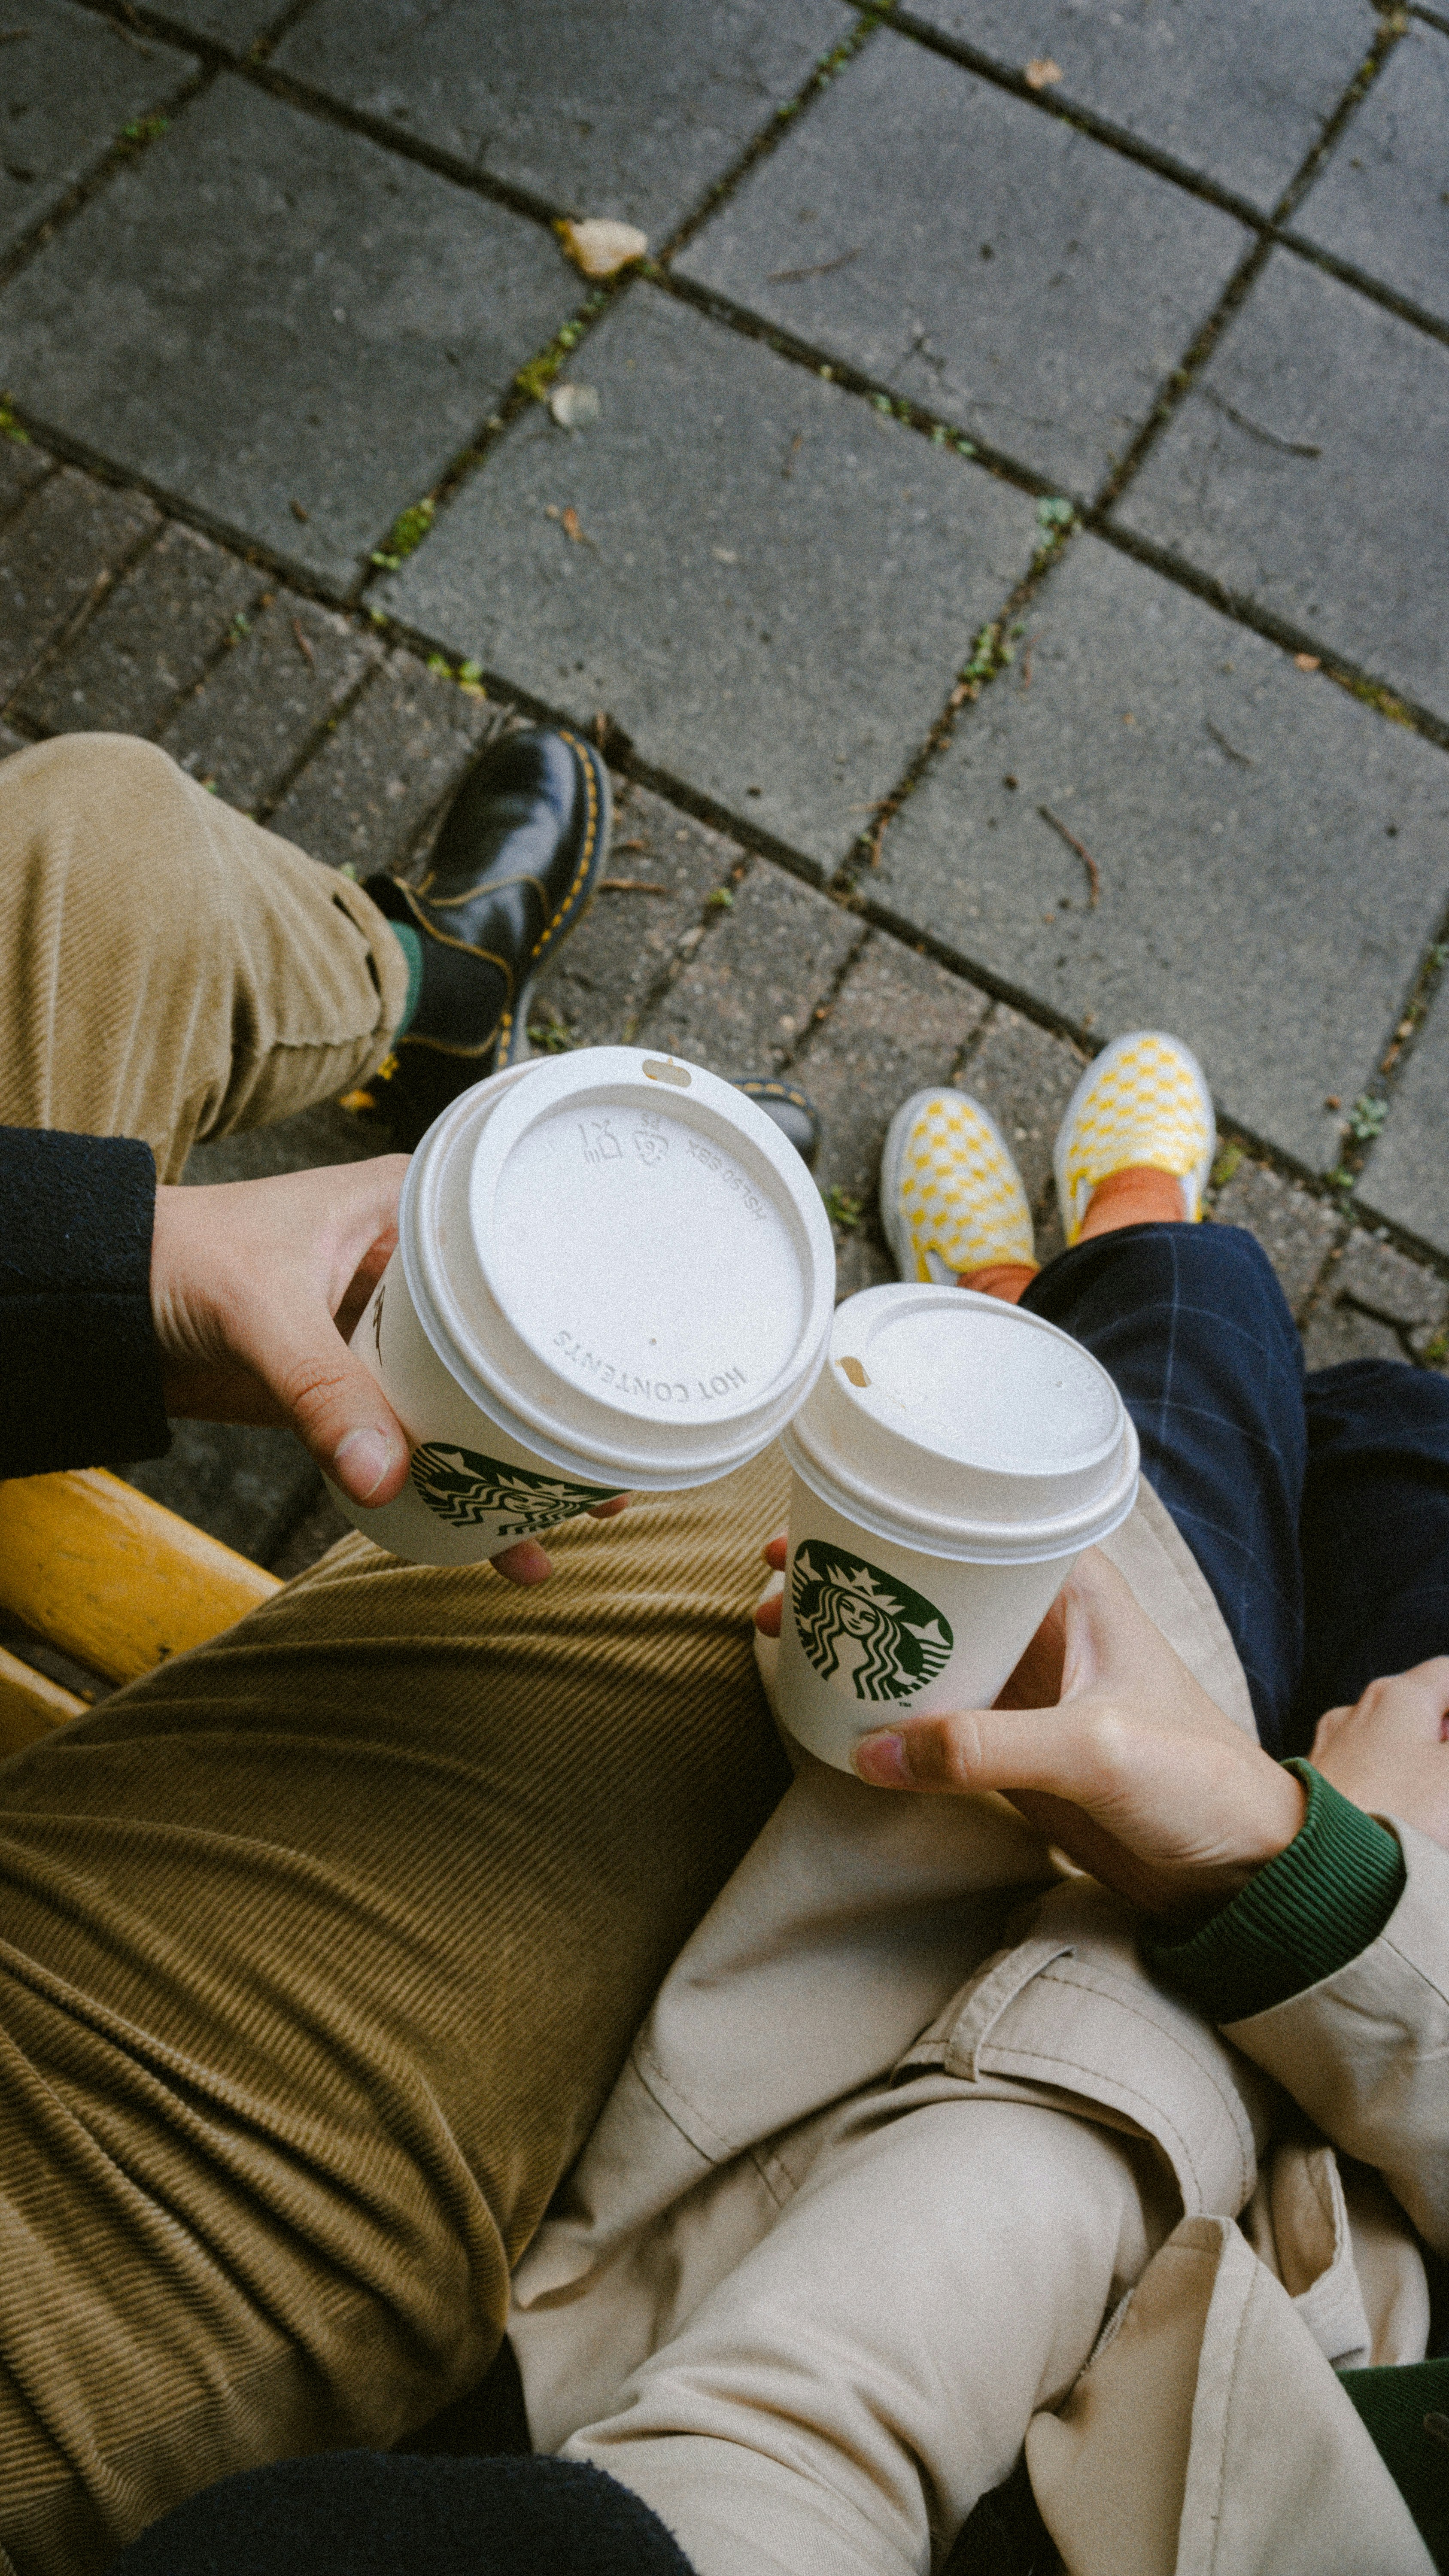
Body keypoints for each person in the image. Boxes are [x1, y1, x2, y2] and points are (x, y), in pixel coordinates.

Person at [119, 1034, 1449, 2576]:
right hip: (1319, 2108)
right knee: (1405, 1451)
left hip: (808, 2199)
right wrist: (1315, 1893)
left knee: (1202, 1339)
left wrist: (1256, 1905)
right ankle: (1073, 1281)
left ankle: (1072, 1279)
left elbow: (778, 2467)